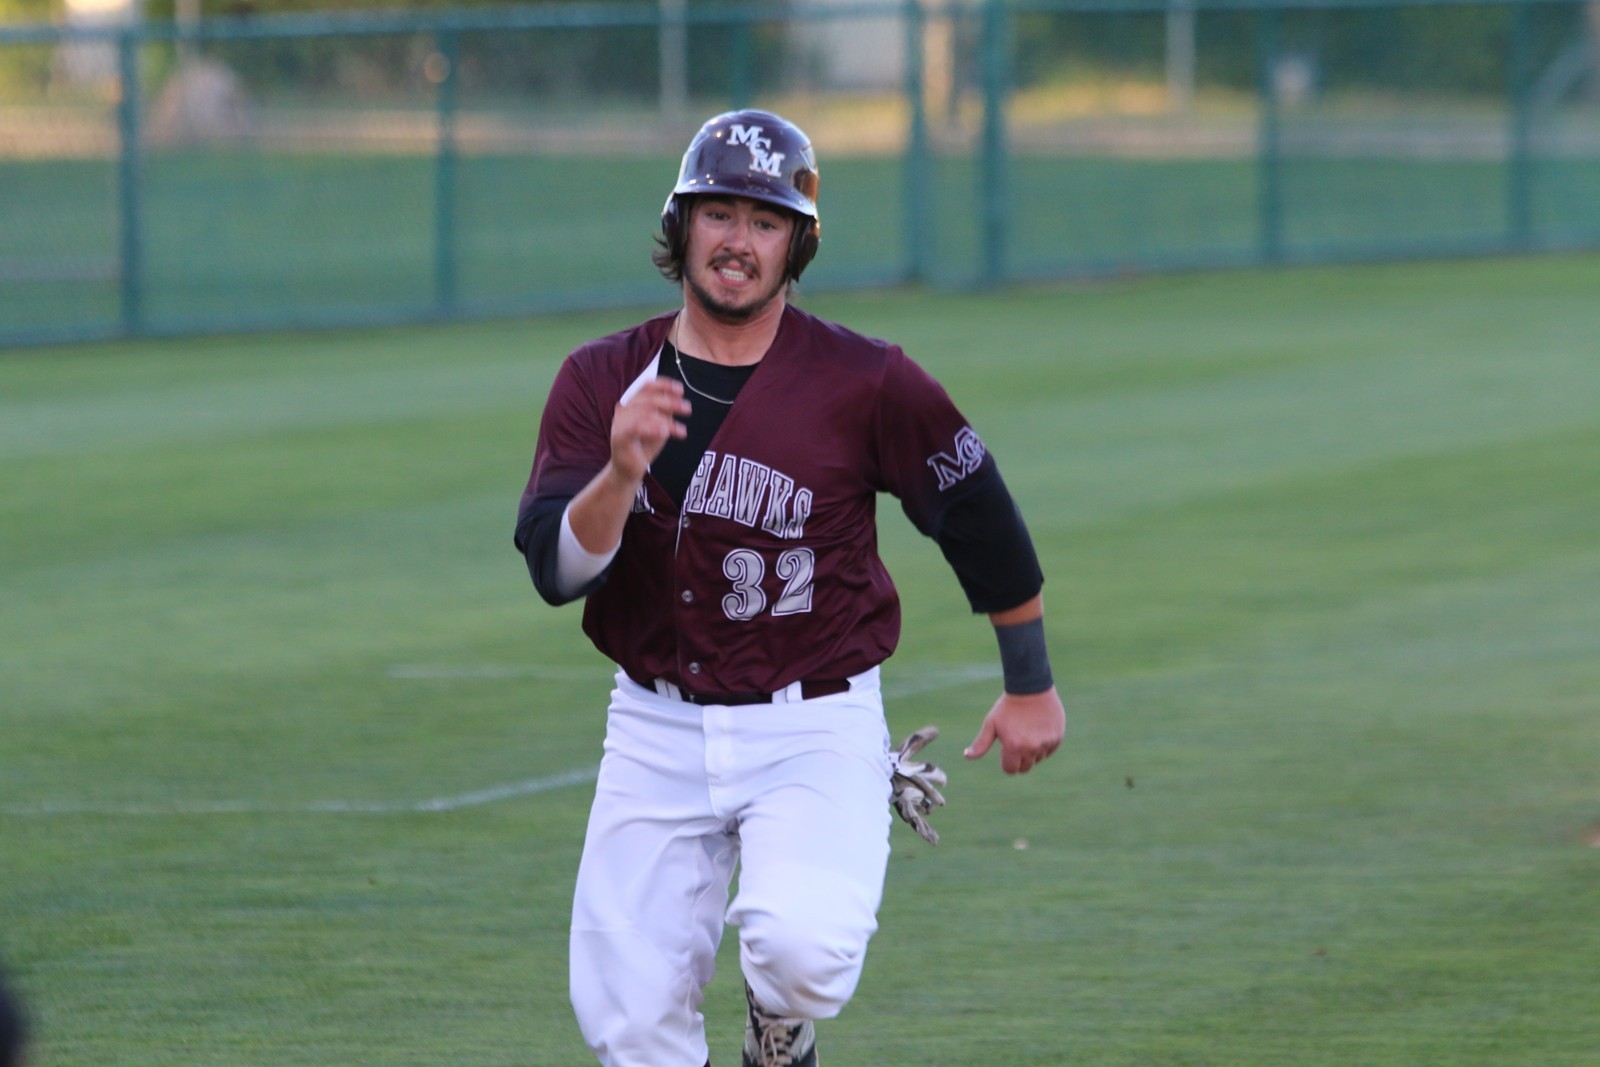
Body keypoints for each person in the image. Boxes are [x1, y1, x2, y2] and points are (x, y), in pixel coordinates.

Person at [513, 108, 1066, 1067]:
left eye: (764, 221)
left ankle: (780, 1027)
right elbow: (556, 572)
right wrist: (620, 473)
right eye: (718, 213)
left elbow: (978, 512)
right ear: (680, 226)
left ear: (797, 244)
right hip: (655, 726)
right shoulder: (603, 377)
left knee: (805, 953)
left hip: (812, 719)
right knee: (626, 1018)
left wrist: (1030, 682)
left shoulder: (866, 380)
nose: (738, 241)